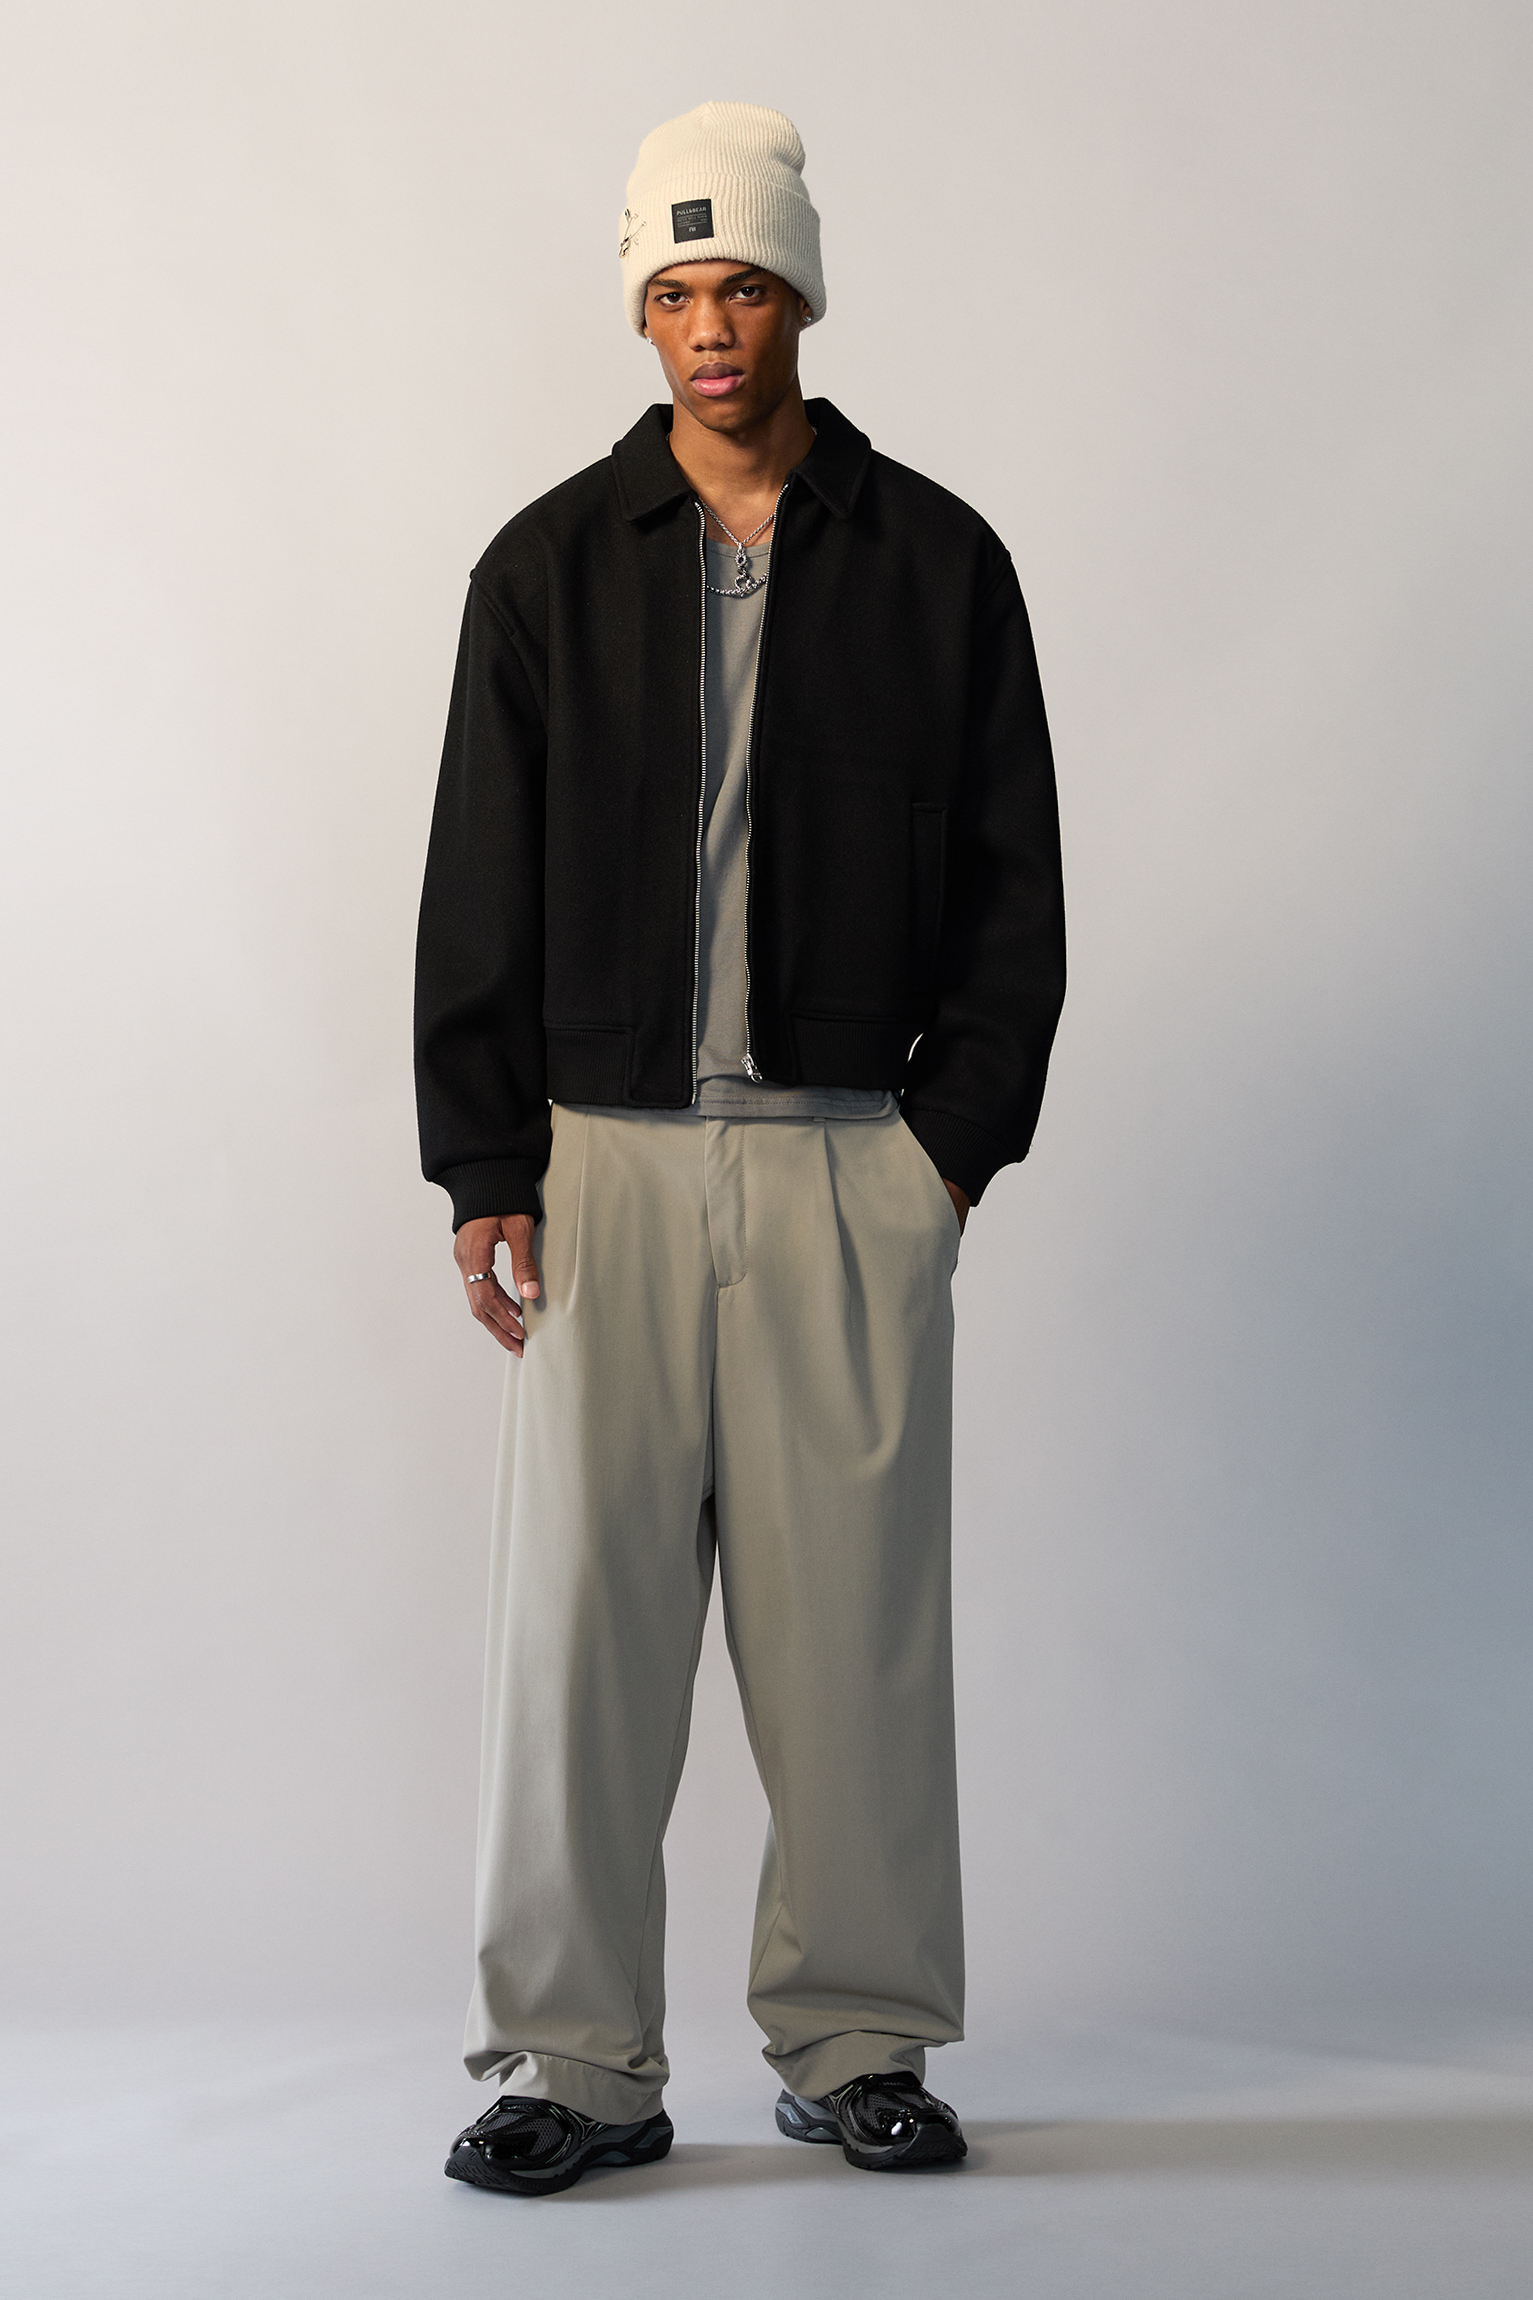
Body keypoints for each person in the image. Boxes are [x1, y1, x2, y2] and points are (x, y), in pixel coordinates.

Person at [414, 99, 1065, 2198]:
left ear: (802, 299)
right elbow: (475, 880)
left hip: (846, 1160)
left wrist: (940, 1154)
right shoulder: (542, 567)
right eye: (677, 289)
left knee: (854, 1638)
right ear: (641, 310)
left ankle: (859, 2037)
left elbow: (1013, 885)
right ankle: (572, 2062)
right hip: (600, 1163)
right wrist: (483, 1165)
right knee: (575, 1649)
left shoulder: (938, 563)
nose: (711, 326)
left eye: (747, 287)